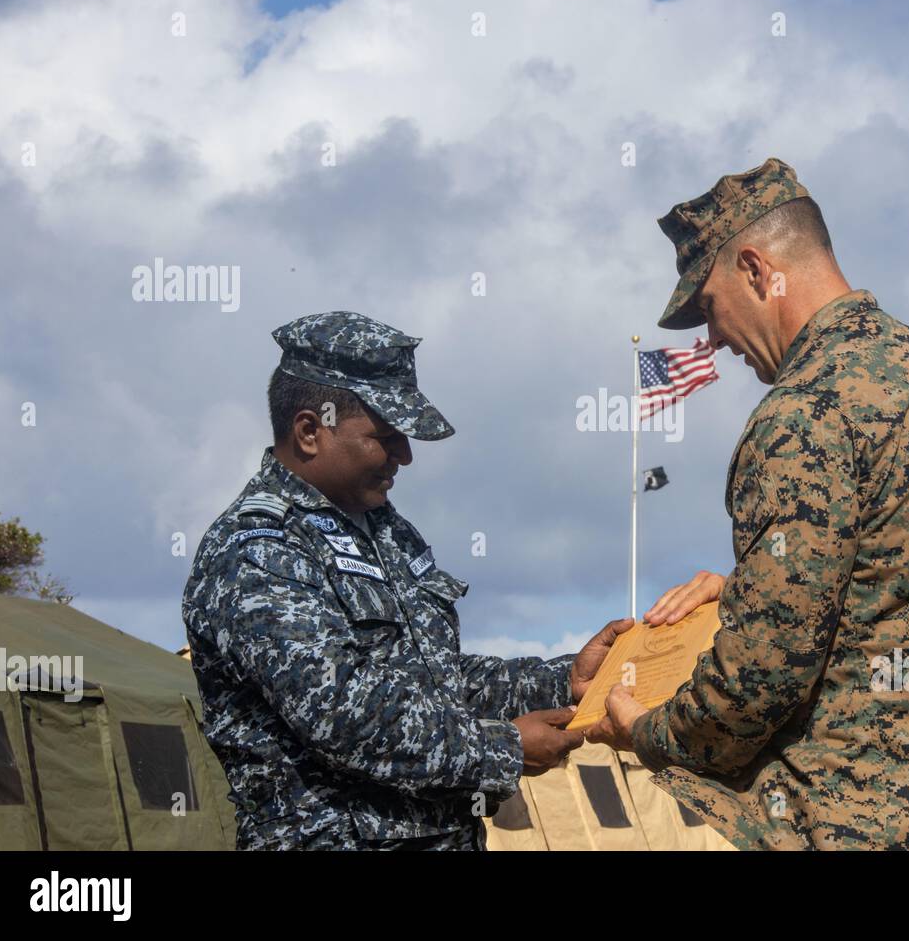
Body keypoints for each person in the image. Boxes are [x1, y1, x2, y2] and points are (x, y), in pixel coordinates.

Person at [588, 158, 909, 850]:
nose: (710, 340)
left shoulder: (801, 411)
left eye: (709, 309)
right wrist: (746, 586)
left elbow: (752, 687)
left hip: (865, 822)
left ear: (755, 271)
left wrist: (645, 727)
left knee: (617, 799)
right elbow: (903, 583)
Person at [182, 312, 631, 850]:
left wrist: (561, 682)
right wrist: (505, 748)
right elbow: (343, 713)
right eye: (387, 438)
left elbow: (433, 680)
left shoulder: (386, 531)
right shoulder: (257, 549)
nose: (406, 456)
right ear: (309, 431)